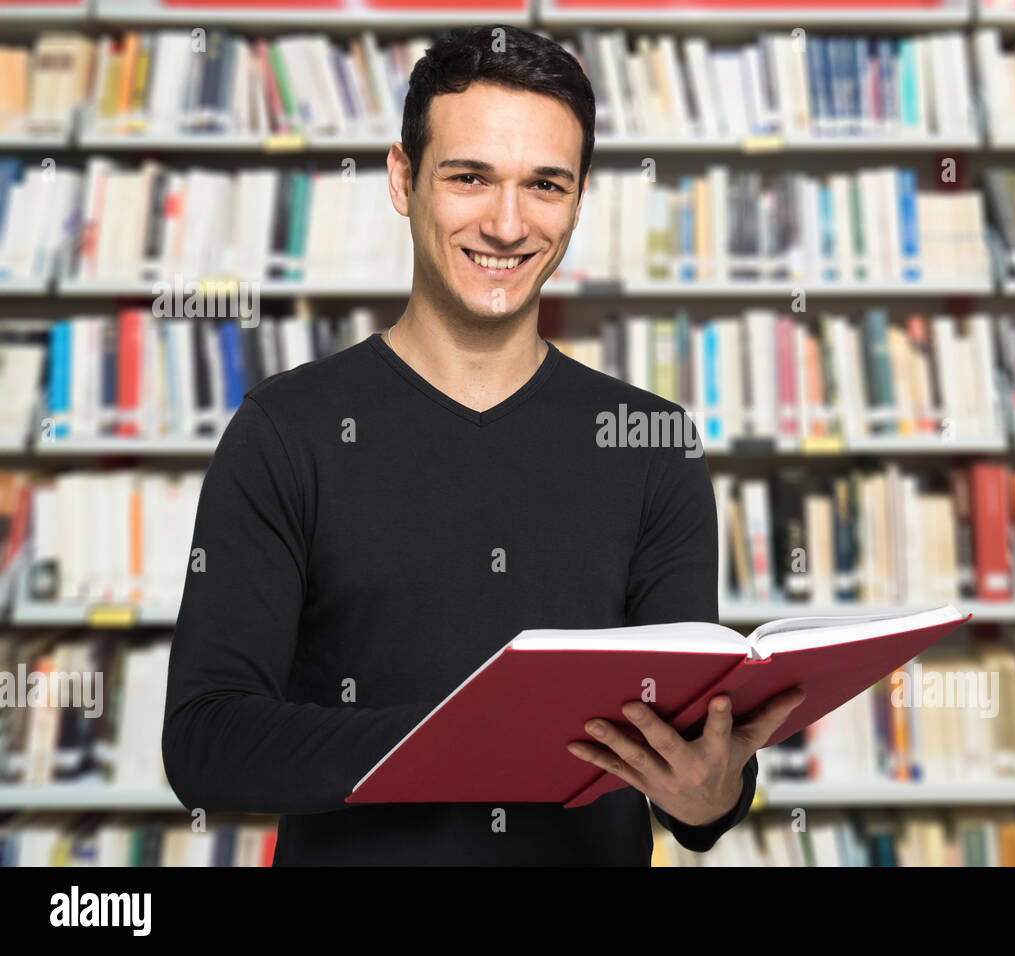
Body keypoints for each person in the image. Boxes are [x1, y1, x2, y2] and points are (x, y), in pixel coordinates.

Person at [162, 23, 803, 865]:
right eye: (470, 178)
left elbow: (692, 768)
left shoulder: (652, 444)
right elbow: (206, 742)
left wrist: (711, 791)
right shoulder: (286, 431)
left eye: (545, 185)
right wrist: (478, 735)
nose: (508, 224)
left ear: (578, 200)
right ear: (403, 178)